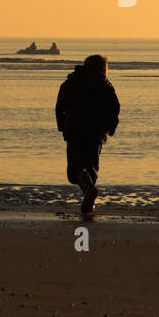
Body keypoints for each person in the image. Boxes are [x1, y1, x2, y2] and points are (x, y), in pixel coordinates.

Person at [55, 54, 121, 214]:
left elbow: (59, 107)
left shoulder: (71, 82)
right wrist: (111, 127)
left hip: (74, 131)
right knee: (91, 167)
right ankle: (89, 194)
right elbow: (114, 108)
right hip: (96, 133)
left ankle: (88, 191)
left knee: (75, 169)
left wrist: (62, 126)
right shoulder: (105, 85)